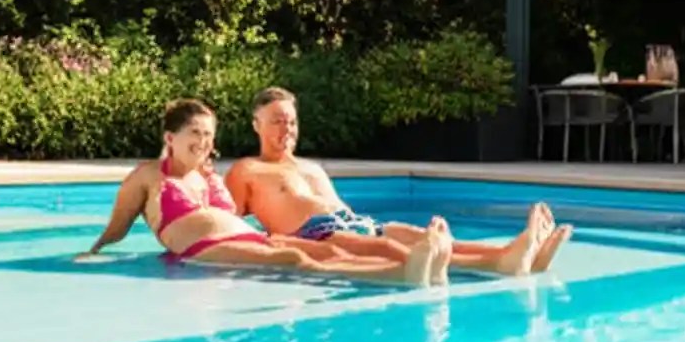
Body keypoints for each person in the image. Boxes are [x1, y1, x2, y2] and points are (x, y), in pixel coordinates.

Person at [79, 98, 451, 286]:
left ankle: (408, 267)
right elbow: (119, 224)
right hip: (203, 249)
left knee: (327, 249)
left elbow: (235, 214)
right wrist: (94, 251)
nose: (203, 142)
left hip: (250, 237)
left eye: (208, 135)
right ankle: (400, 275)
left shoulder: (208, 176)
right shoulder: (147, 177)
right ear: (170, 138)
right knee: (297, 261)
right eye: (195, 133)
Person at [224, 87, 572, 281]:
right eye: (276, 122)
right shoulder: (247, 170)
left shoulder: (312, 166)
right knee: (398, 253)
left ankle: (513, 256)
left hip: (358, 223)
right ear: (256, 125)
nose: (286, 130)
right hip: (317, 234)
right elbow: (227, 222)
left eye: (292, 122)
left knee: (427, 237)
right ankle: (501, 264)